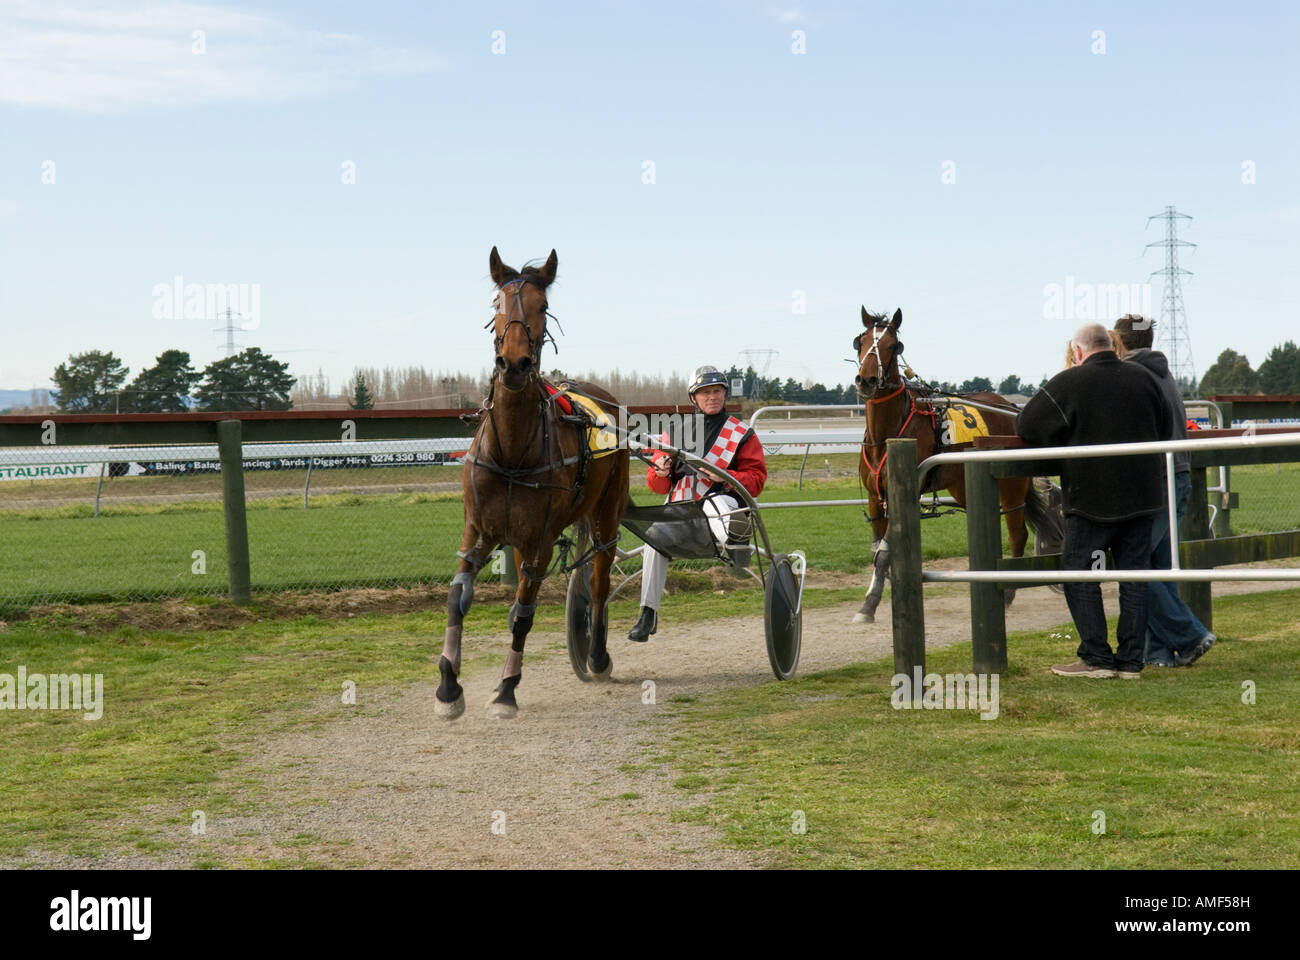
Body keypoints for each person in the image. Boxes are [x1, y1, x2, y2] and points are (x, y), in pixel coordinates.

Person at [1017, 323, 1173, 679]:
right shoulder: (1144, 378)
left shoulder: (1069, 381)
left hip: (1091, 498)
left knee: (1078, 572)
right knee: (1134, 577)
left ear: (1077, 351)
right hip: (1143, 495)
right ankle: (1131, 662)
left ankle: (1096, 657)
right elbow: (1163, 428)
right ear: (1111, 346)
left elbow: (1027, 424)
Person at [628, 366, 767, 642]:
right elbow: (657, 487)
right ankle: (647, 614)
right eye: (705, 392)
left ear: (725, 394)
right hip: (679, 510)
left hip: (719, 503)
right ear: (694, 398)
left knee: (720, 506)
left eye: (717, 391)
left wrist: (728, 476)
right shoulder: (673, 432)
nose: (712, 397)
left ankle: (735, 539)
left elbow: (757, 480)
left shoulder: (742, 433)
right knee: (653, 540)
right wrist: (660, 471)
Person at [1112, 314, 1216, 667]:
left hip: (1157, 479)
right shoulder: (1161, 371)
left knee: (1133, 565)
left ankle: (1191, 636)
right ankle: (1158, 654)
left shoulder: (1133, 375)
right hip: (1177, 474)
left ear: (1118, 341)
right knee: (1157, 566)